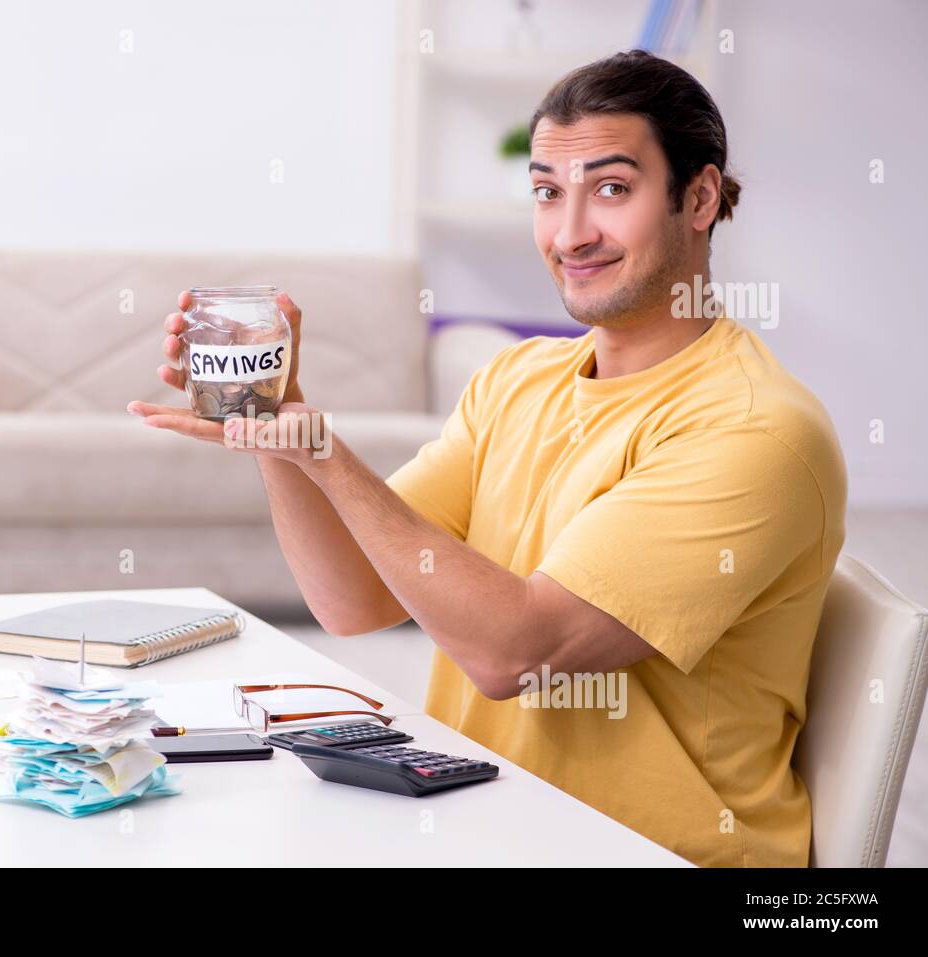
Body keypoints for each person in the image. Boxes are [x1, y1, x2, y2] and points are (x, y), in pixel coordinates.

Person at [128, 50, 846, 868]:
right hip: (480, 830)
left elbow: (516, 654)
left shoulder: (755, 432)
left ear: (700, 197)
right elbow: (352, 599)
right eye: (547, 192)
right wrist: (277, 430)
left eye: (612, 188)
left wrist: (328, 455)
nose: (571, 232)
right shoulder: (517, 377)